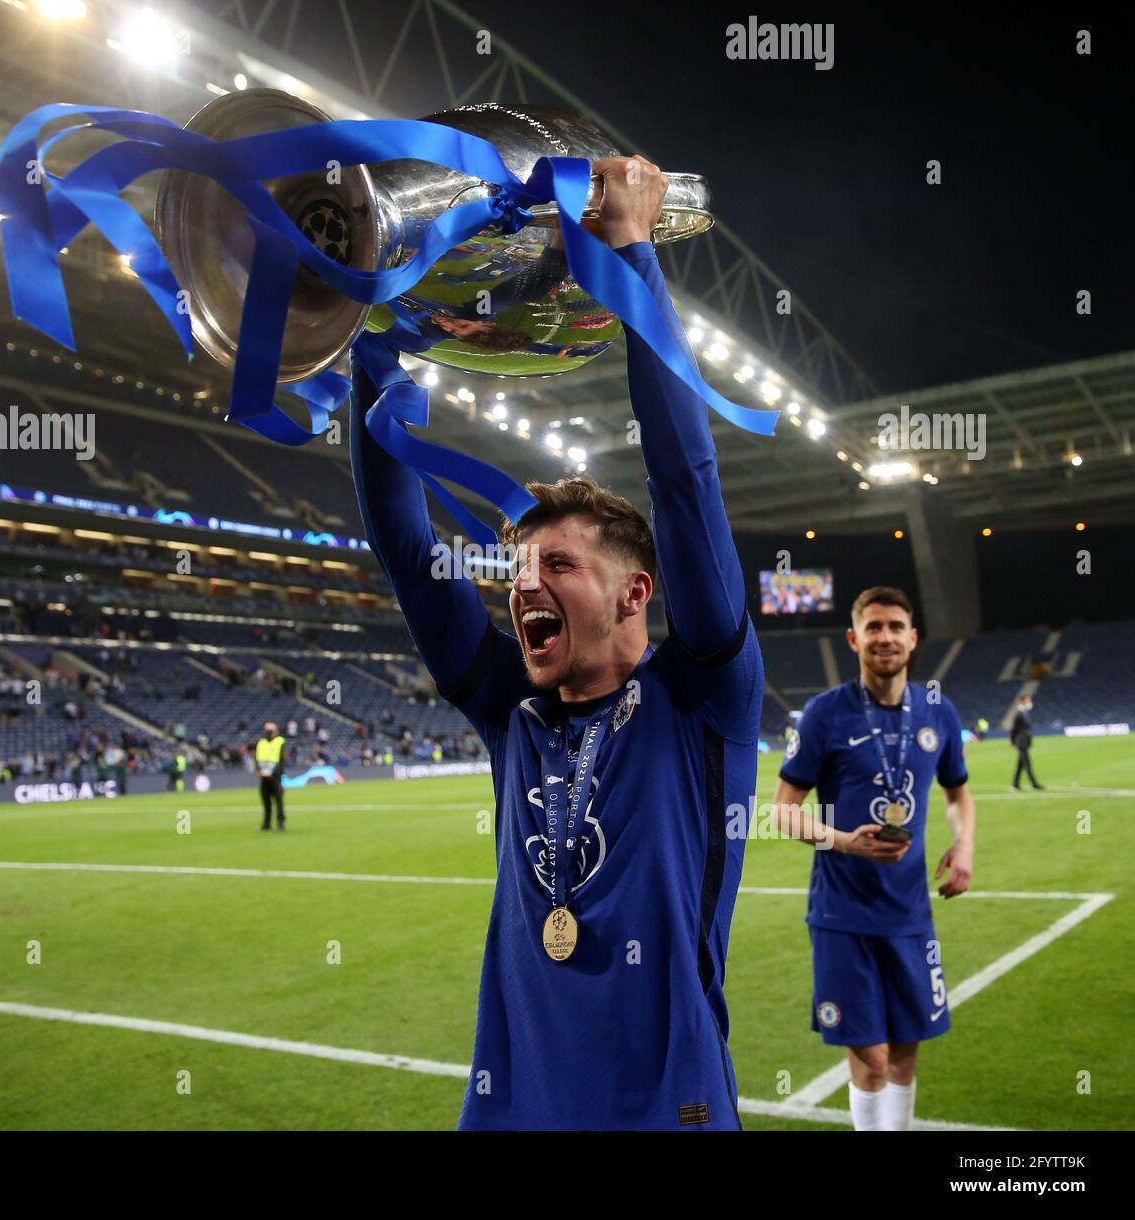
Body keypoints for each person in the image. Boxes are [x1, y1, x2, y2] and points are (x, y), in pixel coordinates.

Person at [350, 156, 762, 1130]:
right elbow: (409, 553)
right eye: (515, 568)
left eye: (559, 565)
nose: (524, 582)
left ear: (636, 591)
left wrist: (630, 257)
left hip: (669, 1106)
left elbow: (684, 484)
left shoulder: (703, 695)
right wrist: (371, 336)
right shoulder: (511, 708)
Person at [771, 587, 977, 1131]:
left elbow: (958, 794)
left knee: (907, 1052)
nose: (884, 637)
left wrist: (965, 845)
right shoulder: (824, 714)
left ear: (912, 638)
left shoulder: (938, 710)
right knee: (872, 1056)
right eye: (874, 627)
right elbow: (782, 812)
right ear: (853, 638)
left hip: (910, 914)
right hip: (844, 915)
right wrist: (843, 840)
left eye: (895, 627)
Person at [256, 720, 287, 831]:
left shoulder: (280, 742)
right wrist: (258, 770)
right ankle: (266, 823)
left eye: (270, 730)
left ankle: (280, 823)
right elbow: (258, 758)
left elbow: (282, 760)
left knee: (278, 800)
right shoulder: (261, 742)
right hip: (264, 777)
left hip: (275, 777)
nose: (268, 732)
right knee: (266, 801)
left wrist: (274, 773)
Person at [1009, 694, 1043, 789]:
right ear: (1022, 701)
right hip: (1021, 742)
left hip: (1025, 741)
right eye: (1028, 700)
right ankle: (1034, 783)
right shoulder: (1019, 714)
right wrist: (1012, 740)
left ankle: (1015, 783)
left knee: (1020, 764)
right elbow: (1014, 729)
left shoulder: (1025, 713)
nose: (1030, 702)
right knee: (1027, 763)